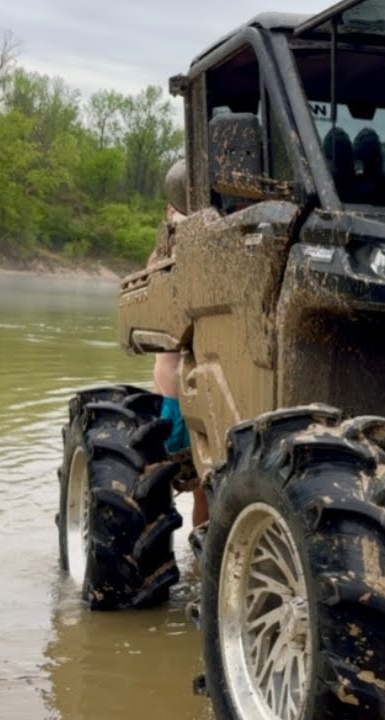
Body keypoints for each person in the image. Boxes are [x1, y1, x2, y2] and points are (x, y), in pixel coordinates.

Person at [149, 159, 207, 528]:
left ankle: (200, 560)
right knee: (166, 476)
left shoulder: (206, 240)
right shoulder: (165, 249)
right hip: (173, 396)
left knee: (206, 483)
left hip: (197, 392)